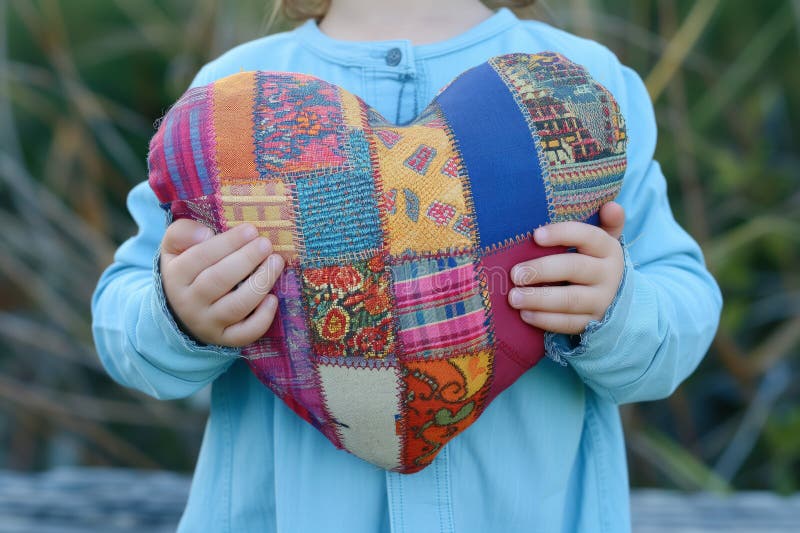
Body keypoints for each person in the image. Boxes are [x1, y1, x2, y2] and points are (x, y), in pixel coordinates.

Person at [90, 1, 723, 531]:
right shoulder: (228, 99)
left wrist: (615, 307)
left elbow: (682, 308)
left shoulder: (581, 89)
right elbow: (123, 317)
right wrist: (178, 312)